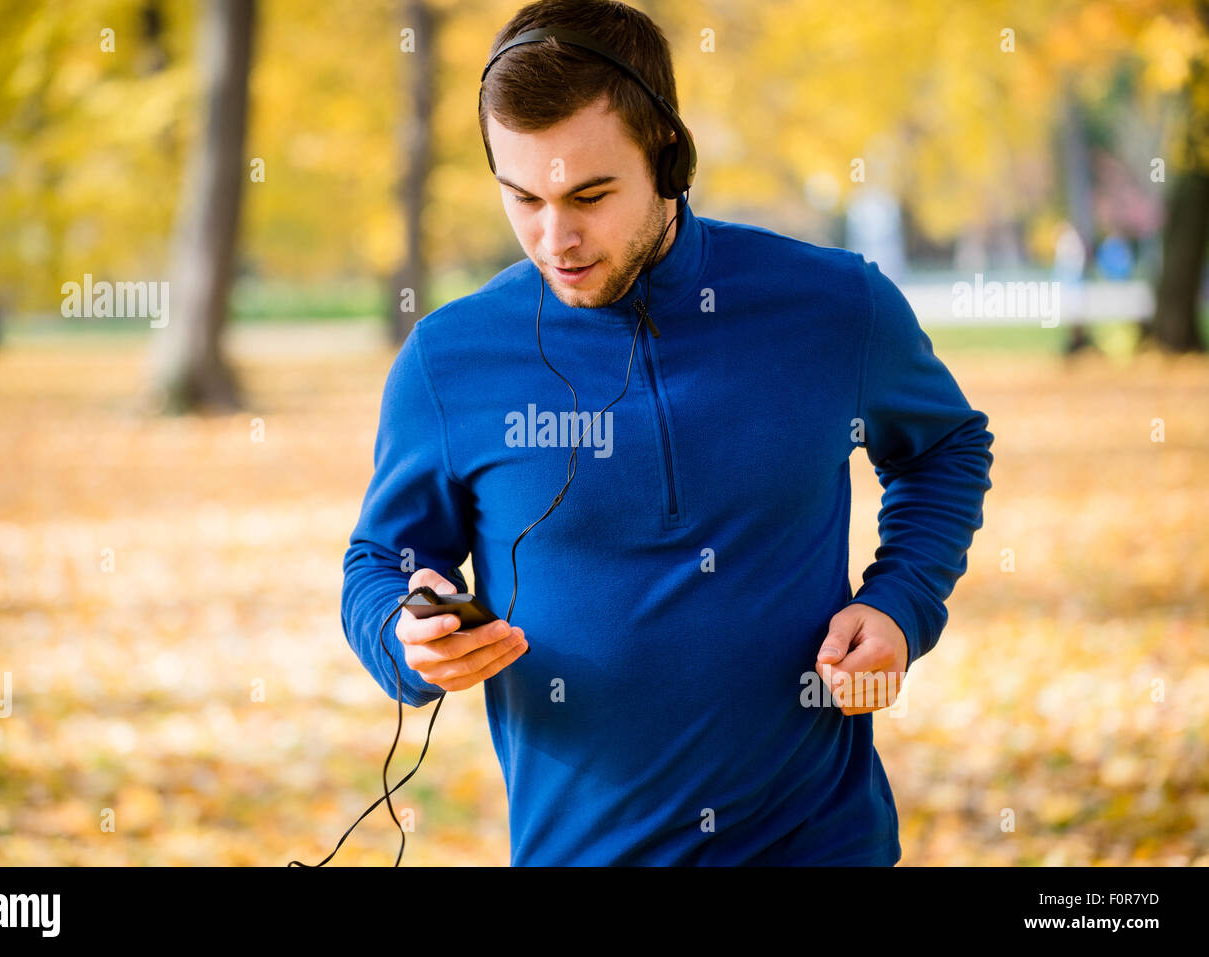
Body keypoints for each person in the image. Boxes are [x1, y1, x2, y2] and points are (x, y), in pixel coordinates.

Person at [341, 0, 994, 865]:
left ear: (669, 158)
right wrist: (404, 636)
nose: (555, 238)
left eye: (590, 195)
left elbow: (945, 448)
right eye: (522, 197)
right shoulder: (448, 359)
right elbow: (375, 565)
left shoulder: (835, 306)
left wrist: (899, 603)